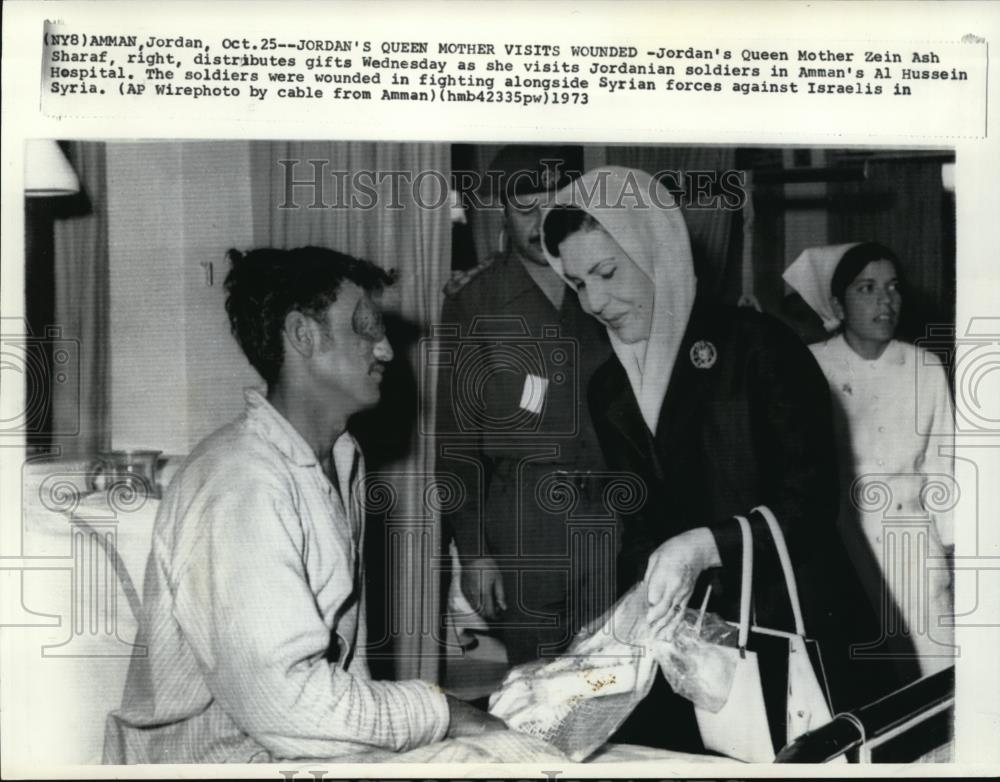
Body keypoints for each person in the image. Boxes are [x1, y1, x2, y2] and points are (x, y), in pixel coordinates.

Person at [540, 167, 905, 752]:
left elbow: (809, 503)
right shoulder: (609, 389)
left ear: (657, 250)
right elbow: (640, 524)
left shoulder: (758, 346)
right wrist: (631, 616)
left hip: (797, 618)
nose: (597, 302)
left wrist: (704, 546)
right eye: (580, 284)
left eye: (607, 273)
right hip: (692, 643)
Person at [104, 247, 504, 764]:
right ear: (302, 335)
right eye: (365, 329)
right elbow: (288, 705)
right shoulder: (240, 484)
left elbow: (335, 685)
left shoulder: (340, 457)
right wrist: (446, 715)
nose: (384, 350)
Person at [437, 145, 613, 667]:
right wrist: (473, 552)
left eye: (554, 204)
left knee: (611, 679)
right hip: (526, 518)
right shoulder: (477, 301)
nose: (540, 222)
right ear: (501, 213)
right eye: (525, 207)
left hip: (611, 509)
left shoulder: (609, 282)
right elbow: (456, 437)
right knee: (535, 684)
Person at [784, 242, 955, 679]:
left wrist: (953, 551)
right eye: (867, 288)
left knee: (934, 679)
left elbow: (943, 467)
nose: (886, 300)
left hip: (915, 550)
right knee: (861, 685)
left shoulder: (926, 367)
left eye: (893, 287)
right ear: (838, 304)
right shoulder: (809, 366)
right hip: (843, 549)